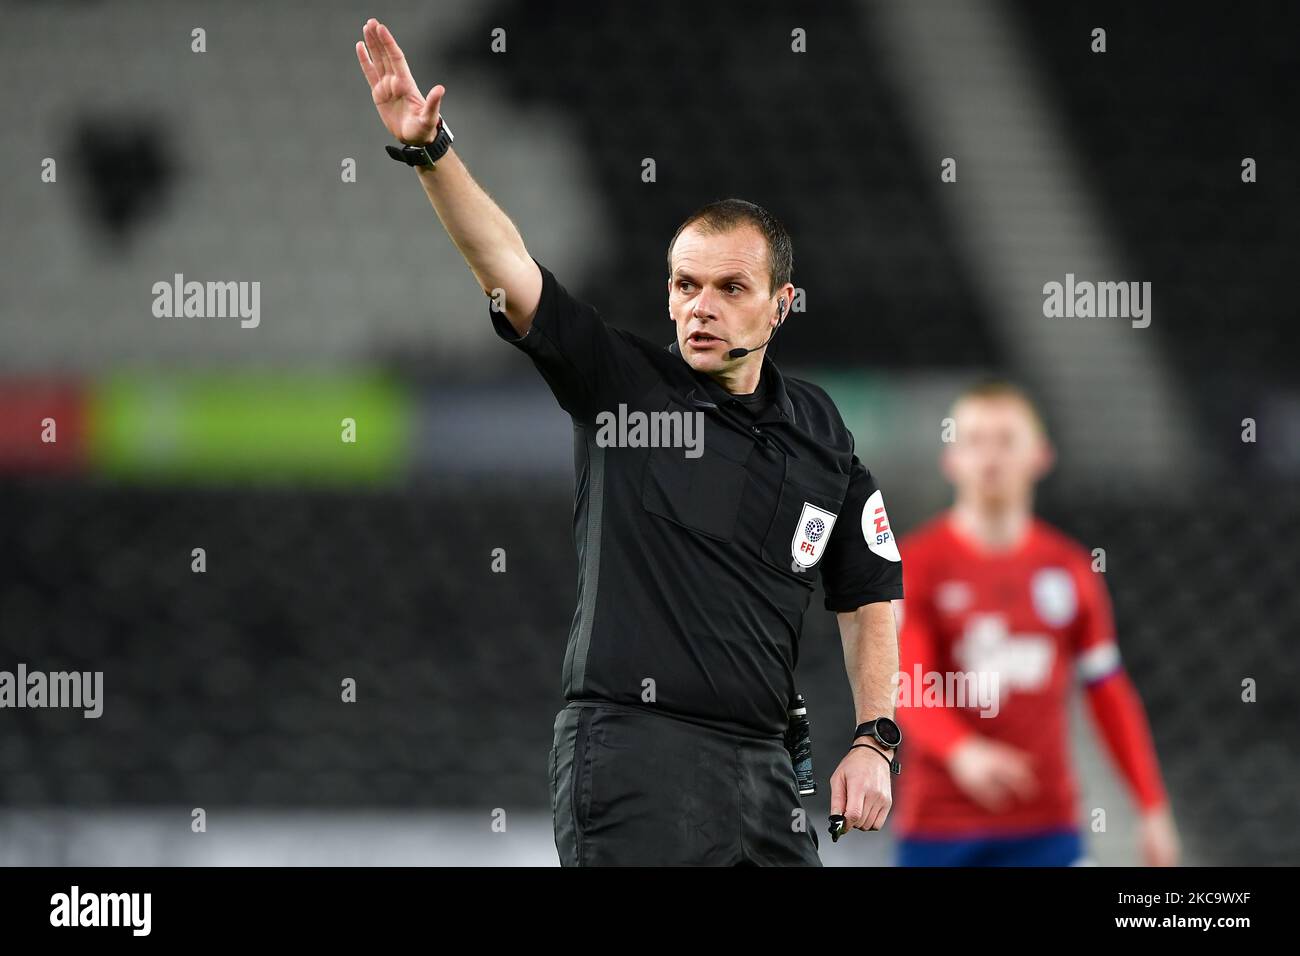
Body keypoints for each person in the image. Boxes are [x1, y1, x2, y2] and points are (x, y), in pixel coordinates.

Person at [356, 17, 905, 865]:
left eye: (731, 287)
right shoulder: (622, 386)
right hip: (634, 757)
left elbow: (870, 589)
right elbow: (508, 266)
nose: (701, 305)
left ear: (781, 304)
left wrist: (875, 737)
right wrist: (429, 153)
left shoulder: (822, 433)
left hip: (763, 772)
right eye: (685, 284)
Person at [893, 381, 1180, 866]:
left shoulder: (1070, 570)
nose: (990, 457)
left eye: (1006, 441)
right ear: (952, 459)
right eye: (974, 441)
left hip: (1046, 827)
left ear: (1041, 456)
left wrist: (1152, 806)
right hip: (940, 827)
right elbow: (907, 681)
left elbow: (1108, 689)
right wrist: (963, 752)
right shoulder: (915, 565)